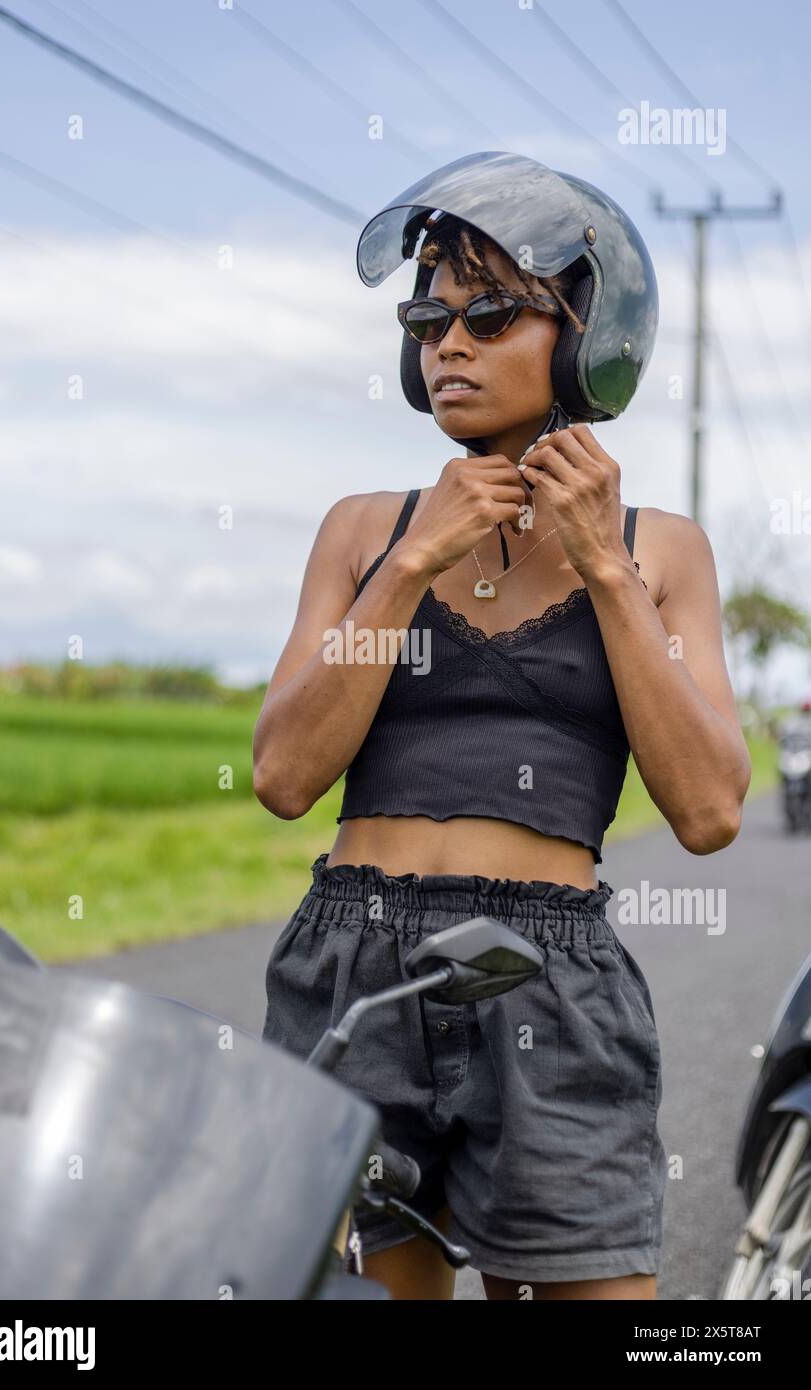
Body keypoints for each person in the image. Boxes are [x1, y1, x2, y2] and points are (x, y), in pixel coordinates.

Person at [253, 153, 752, 1301]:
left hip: (549, 979)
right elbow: (284, 774)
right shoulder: (362, 529)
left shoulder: (662, 549)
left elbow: (711, 808)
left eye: (489, 310)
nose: (449, 343)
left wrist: (606, 570)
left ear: (585, 338)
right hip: (352, 967)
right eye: (429, 313)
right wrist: (411, 561)